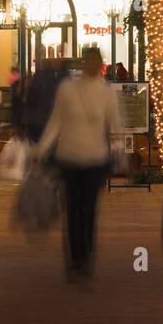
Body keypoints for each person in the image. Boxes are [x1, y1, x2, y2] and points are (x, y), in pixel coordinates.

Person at [35, 46, 120, 281]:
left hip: (95, 159)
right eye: (91, 61)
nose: (94, 65)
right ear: (85, 63)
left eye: (97, 61)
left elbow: (115, 125)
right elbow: (56, 121)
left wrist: (118, 148)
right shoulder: (67, 89)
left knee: (89, 210)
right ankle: (76, 257)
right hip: (70, 158)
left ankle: (86, 256)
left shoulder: (107, 92)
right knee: (73, 210)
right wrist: (42, 149)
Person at [25, 57, 66, 145]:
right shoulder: (60, 77)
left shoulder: (38, 76)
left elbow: (30, 101)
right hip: (46, 123)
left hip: (38, 124)